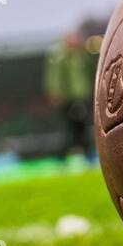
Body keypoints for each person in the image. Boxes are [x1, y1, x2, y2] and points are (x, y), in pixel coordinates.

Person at [43, 27, 96, 161]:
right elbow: (54, 75)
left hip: (82, 97)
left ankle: (87, 155)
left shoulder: (80, 55)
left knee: (83, 127)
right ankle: (62, 157)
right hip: (69, 98)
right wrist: (55, 91)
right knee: (71, 128)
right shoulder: (60, 56)